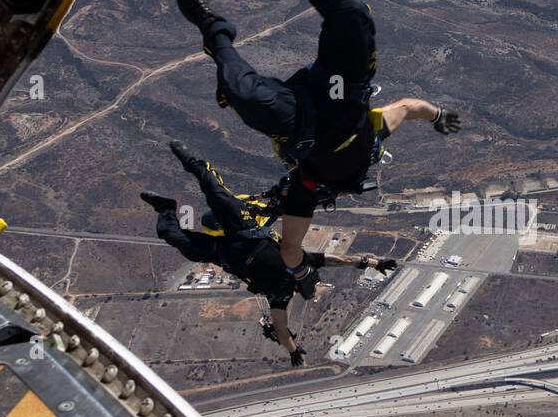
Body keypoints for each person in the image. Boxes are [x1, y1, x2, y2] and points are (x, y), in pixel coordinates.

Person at [176, 0, 460, 298]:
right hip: (340, 89)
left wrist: (299, 276)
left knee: (246, 95)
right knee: (354, 13)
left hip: (302, 119)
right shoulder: (373, 136)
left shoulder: (306, 187)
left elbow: (292, 247)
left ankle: (214, 31)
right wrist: (438, 114)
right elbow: (409, 108)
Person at [141, 140, 396, 368]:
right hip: (245, 230)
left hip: (224, 253)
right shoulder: (297, 266)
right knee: (214, 193)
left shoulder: (281, 294)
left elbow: (282, 329)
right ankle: (192, 161)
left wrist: (293, 350)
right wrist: (372, 262)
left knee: (173, 235)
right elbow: (338, 260)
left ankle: (166, 208)